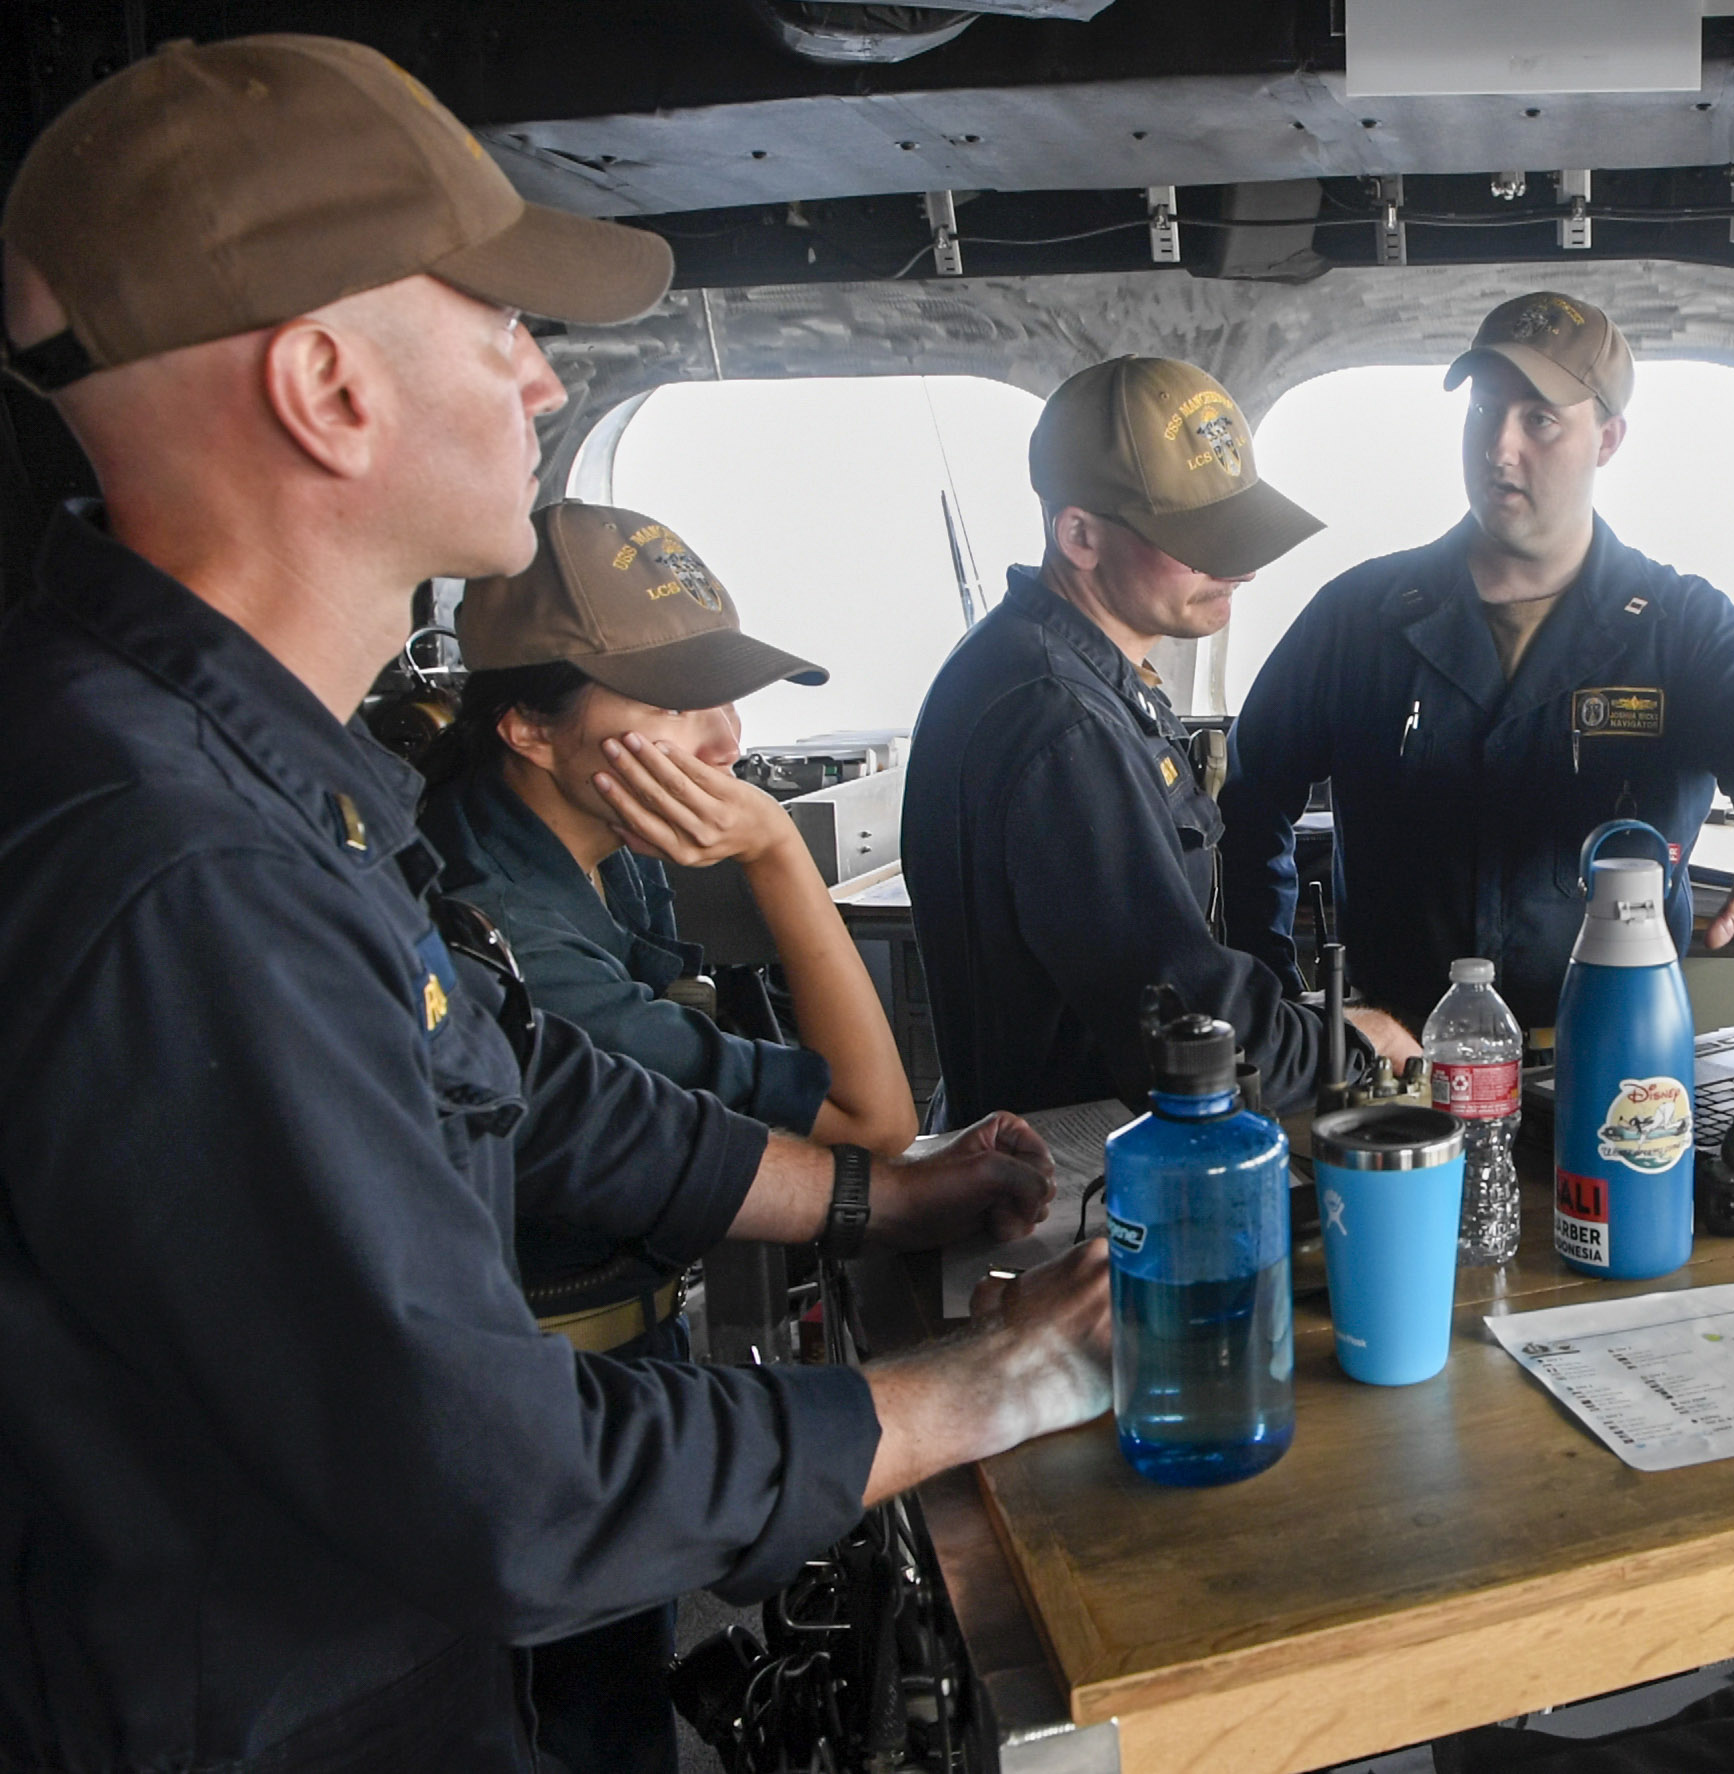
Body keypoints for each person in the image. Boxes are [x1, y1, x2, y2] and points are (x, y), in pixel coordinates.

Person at [0, 36, 1108, 1770]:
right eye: (498, 322)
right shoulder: (177, 860)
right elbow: (507, 1487)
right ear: (328, 389)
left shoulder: (246, 768)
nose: (538, 379)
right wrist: (982, 1385)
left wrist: (881, 1194)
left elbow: (519, 1080)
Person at [418, 499, 921, 1772]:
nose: (725, 740)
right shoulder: (512, 936)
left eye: (725, 695)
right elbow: (876, 1125)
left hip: (617, 1357)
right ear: (528, 725)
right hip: (546, 1416)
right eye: (676, 702)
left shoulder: (583, 846)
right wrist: (776, 852)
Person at [1219, 291, 1734, 1033]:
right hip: (1399, 1060)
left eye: (1539, 419)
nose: (1499, 447)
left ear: (1607, 439)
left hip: (1611, 1049)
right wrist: (1271, 998)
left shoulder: (1684, 626)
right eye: (1483, 411)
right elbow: (1245, 803)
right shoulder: (1359, 618)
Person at [904, 355, 1420, 1124]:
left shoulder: (1059, 671)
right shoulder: (1060, 718)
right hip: (1068, 1157)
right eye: (1199, 538)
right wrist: (1354, 1045)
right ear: (1080, 535)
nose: (1239, 569)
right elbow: (1178, 1025)